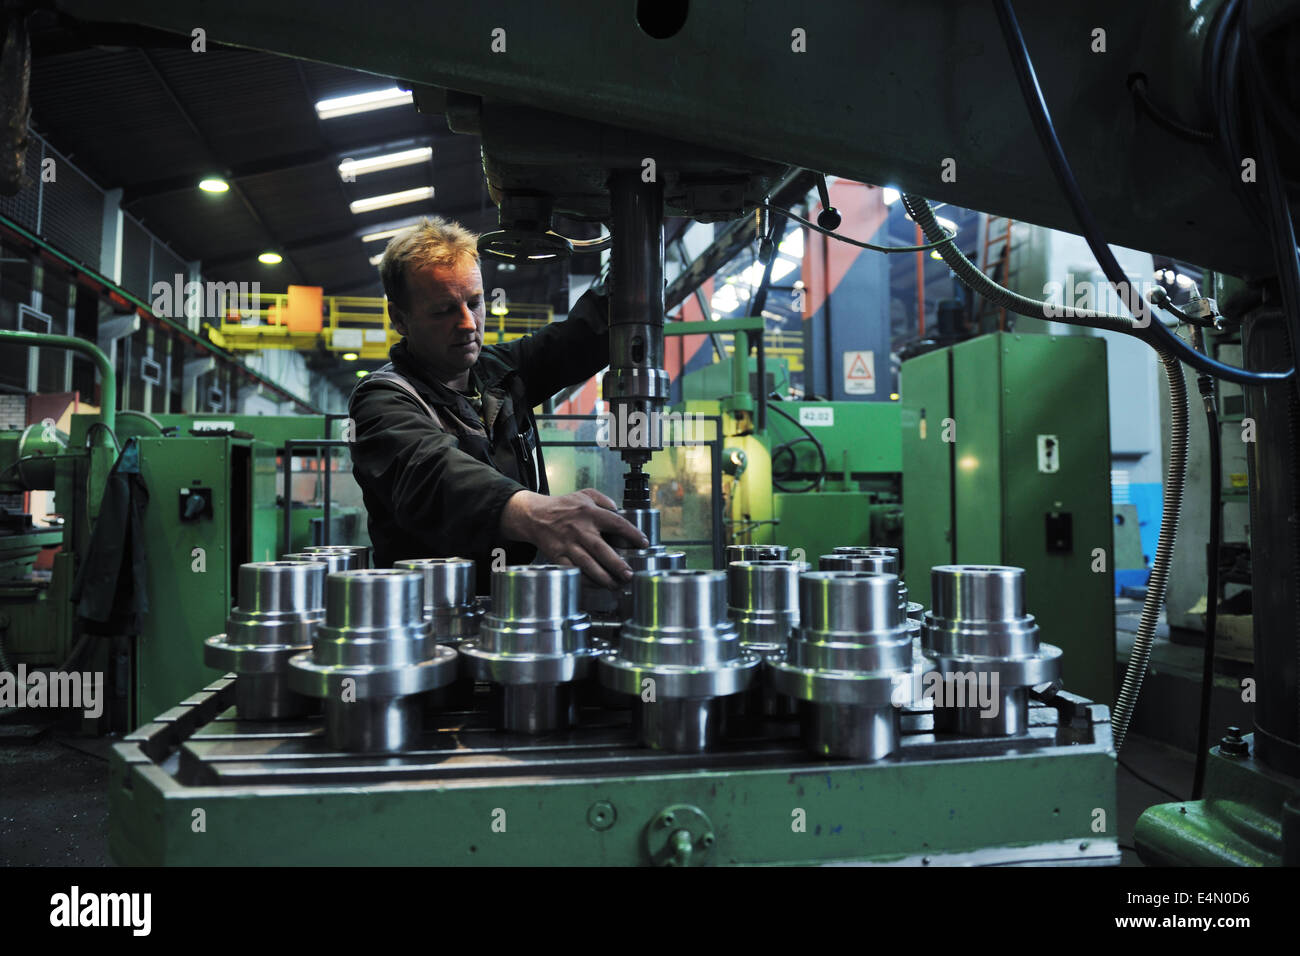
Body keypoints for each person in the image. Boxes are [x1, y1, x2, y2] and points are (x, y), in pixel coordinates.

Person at [348, 216, 647, 595]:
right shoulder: (382, 400)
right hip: (424, 615)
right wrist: (538, 513)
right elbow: (433, 474)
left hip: (511, 604)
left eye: (474, 303)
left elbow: (579, 340)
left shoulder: (501, 372)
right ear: (400, 319)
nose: (468, 324)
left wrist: (638, 259)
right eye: (443, 311)